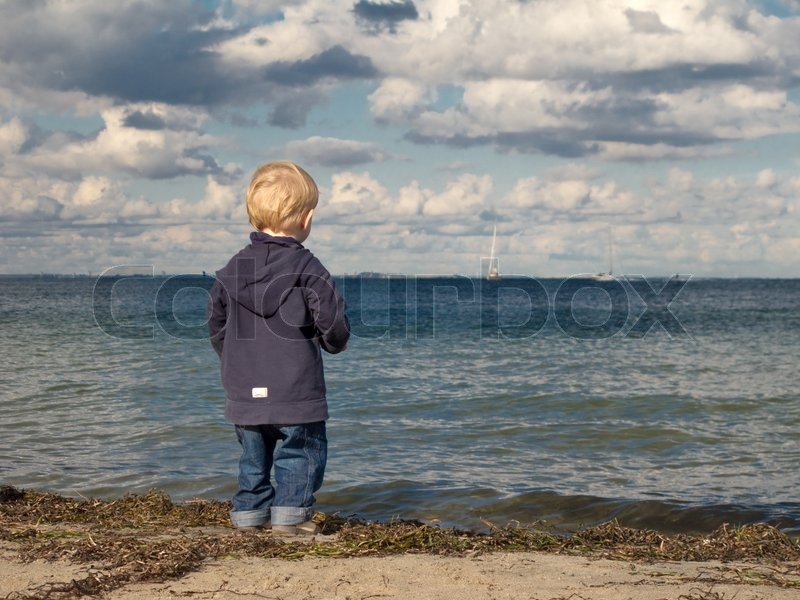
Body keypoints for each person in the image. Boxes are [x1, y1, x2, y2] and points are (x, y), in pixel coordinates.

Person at [207, 160, 349, 535]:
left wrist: (234, 360)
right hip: (295, 389)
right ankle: (290, 517)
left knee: (253, 457)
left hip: (243, 387)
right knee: (300, 451)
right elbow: (331, 319)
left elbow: (216, 325)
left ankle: (249, 515)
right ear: (306, 217)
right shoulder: (308, 267)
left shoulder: (232, 269)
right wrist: (333, 343)